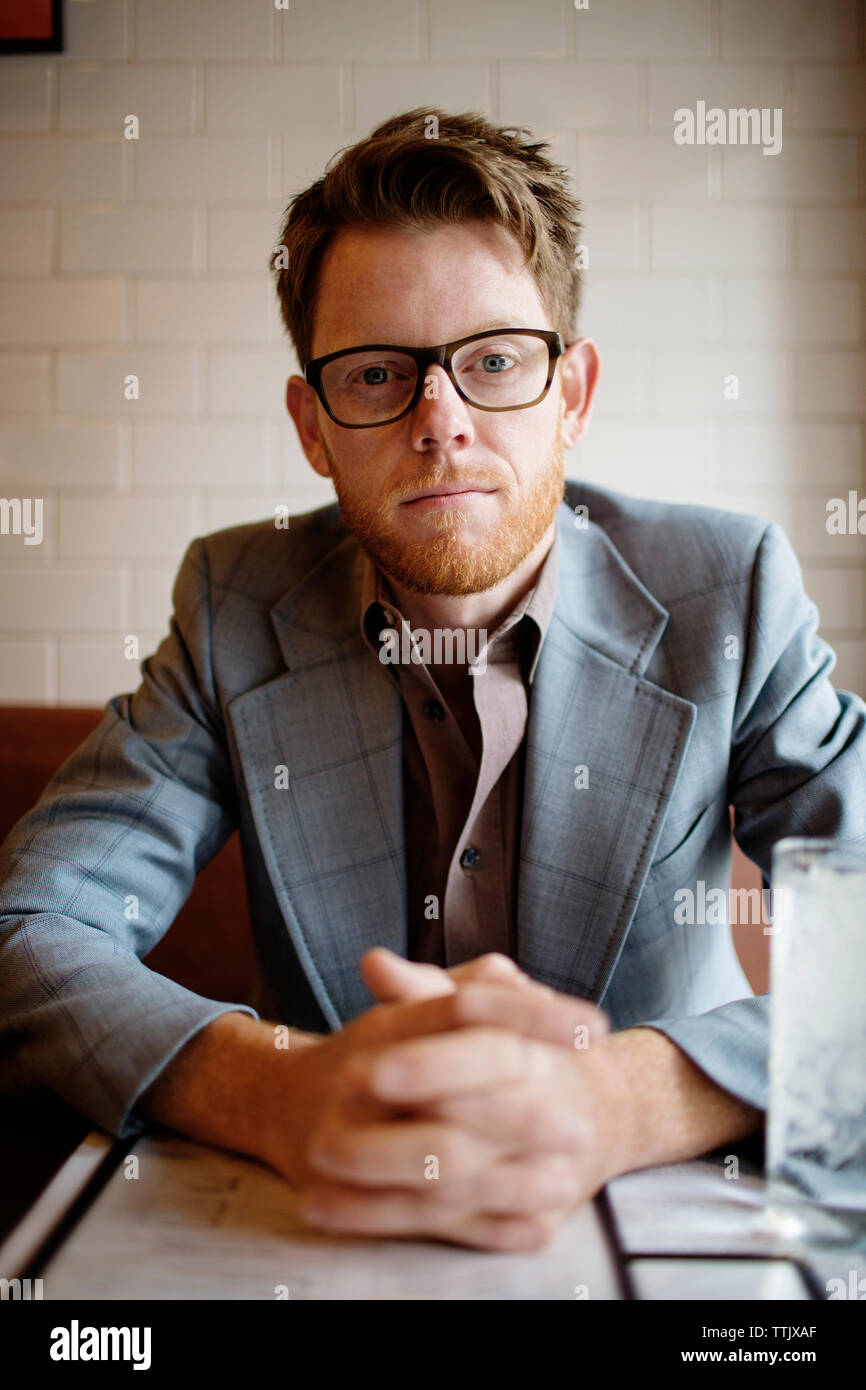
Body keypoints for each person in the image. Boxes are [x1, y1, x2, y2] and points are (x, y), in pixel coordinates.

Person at [1, 108, 864, 1254]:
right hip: (314, 1230)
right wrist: (273, 1087)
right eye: (376, 375)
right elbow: (30, 927)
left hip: (656, 1225)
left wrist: (616, 1099)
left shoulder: (727, 593)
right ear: (313, 425)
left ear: (572, 392)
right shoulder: (232, 603)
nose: (439, 423)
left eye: (495, 361)